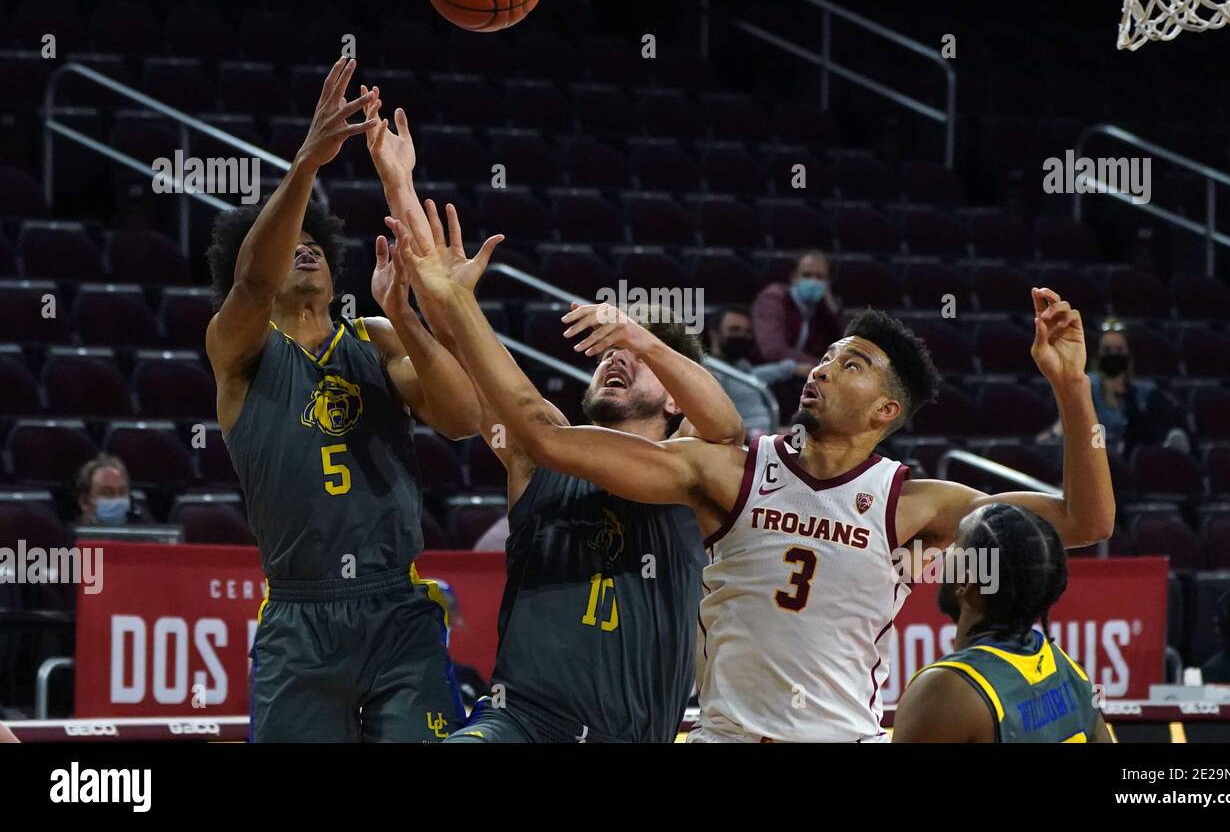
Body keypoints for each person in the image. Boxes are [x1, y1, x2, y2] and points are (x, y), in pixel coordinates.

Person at [390, 203, 1116, 743]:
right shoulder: (732, 472)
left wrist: (1073, 387)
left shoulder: (911, 504)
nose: (825, 369)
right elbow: (548, 440)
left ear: (885, 410)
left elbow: (1085, 523)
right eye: (827, 356)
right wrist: (453, 305)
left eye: (852, 366)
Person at [368, 104, 745, 743]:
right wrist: (400, 184)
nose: (617, 357)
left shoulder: (695, 472)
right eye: (612, 349)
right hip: (519, 723)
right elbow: (461, 328)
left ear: (675, 397)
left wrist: (642, 336)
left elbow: (727, 427)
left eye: (642, 351)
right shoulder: (538, 445)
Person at [204, 58, 480, 742]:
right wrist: (307, 163)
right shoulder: (239, 350)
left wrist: (408, 317)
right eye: (286, 246)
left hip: (396, 606)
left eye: (314, 246)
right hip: (300, 614)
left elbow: (465, 419)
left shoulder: (378, 339)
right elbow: (250, 286)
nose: (304, 251)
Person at [892, 504, 1111, 743]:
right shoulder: (1069, 672)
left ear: (967, 580)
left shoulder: (947, 691)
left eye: (956, 545)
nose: (944, 554)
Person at [1037, 320, 1186, 456]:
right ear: (1099, 355)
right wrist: (1055, 434)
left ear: (1128, 355)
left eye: (1119, 351)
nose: (1114, 355)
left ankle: (1166, 451)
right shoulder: (1086, 385)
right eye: (1108, 351)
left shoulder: (1143, 394)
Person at [708, 305, 803, 434]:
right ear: (714, 333)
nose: (741, 336)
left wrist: (792, 368)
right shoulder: (711, 371)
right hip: (750, 442)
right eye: (734, 330)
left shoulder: (740, 366)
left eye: (747, 332)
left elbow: (754, 376)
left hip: (770, 433)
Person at [751, 250, 843, 368]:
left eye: (819, 277)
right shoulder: (773, 299)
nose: (813, 282)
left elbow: (843, 348)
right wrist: (821, 365)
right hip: (762, 374)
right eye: (807, 275)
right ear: (794, 277)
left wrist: (833, 311)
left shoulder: (823, 308)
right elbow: (773, 350)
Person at [74, 454, 153, 526]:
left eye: (122, 492)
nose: (117, 499)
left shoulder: (143, 534)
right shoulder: (68, 539)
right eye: (107, 493)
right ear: (84, 502)